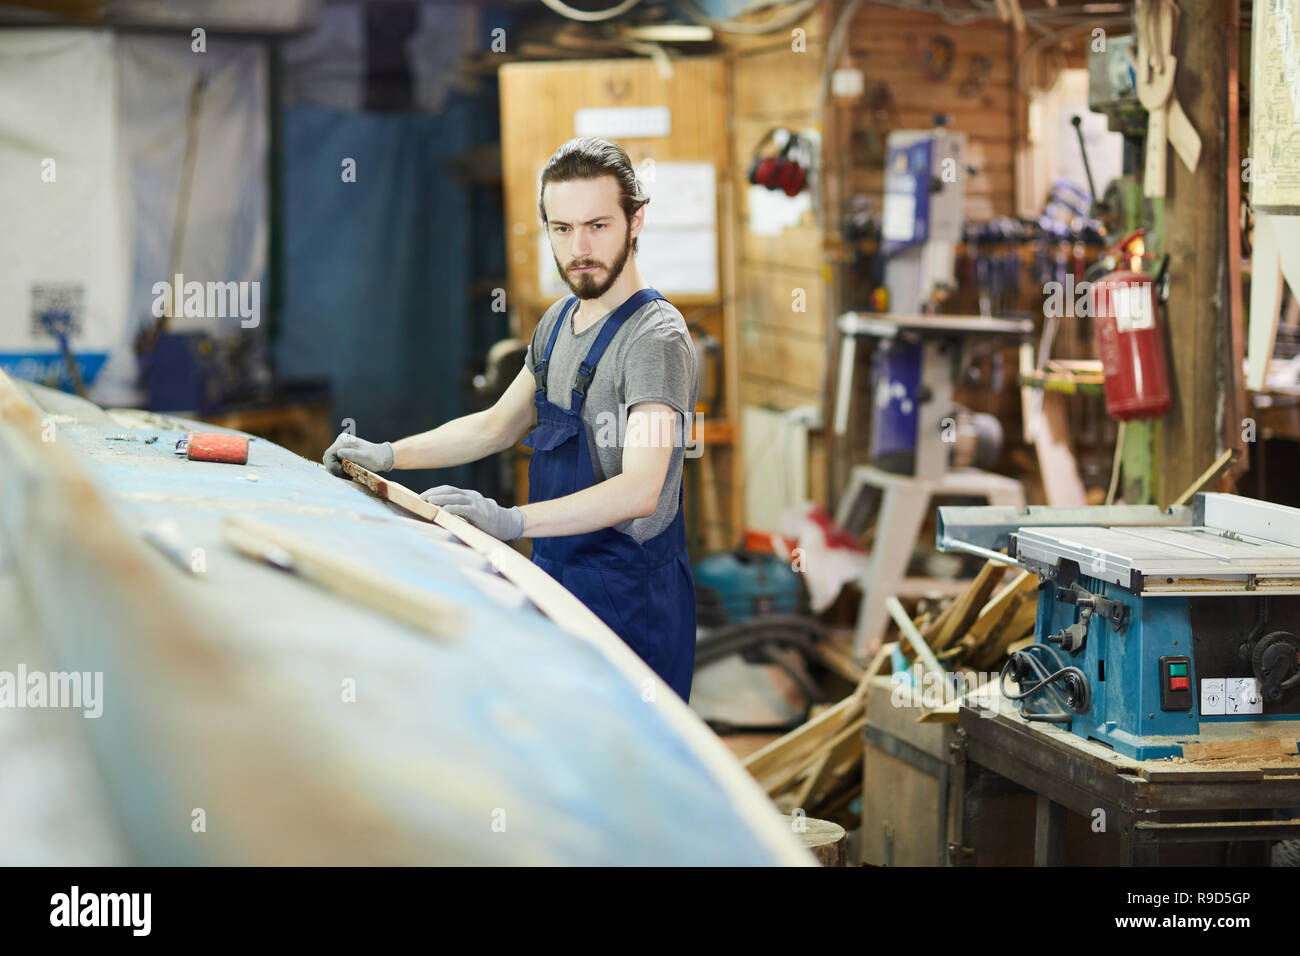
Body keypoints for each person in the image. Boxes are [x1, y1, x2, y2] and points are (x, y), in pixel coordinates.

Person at [323, 137, 699, 701]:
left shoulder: (655, 340)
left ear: (636, 219)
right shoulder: (557, 322)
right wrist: (389, 454)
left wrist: (511, 521)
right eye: (562, 228)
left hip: (631, 600)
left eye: (598, 225)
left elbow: (641, 490)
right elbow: (496, 425)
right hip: (556, 576)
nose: (580, 248)